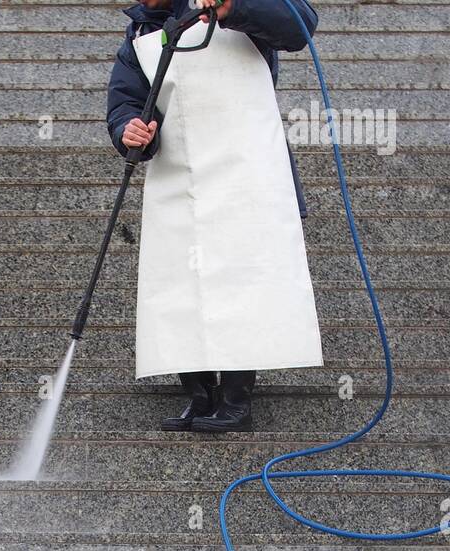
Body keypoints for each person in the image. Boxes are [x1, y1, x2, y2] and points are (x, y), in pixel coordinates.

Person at [106, 0, 322, 433]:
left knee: (241, 281)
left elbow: (300, 24)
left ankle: (236, 400)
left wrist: (235, 6)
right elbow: (125, 100)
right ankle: (199, 396)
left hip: (244, 173)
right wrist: (129, 128)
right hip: (178, 176)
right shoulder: (136, 35)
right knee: (178, 286)